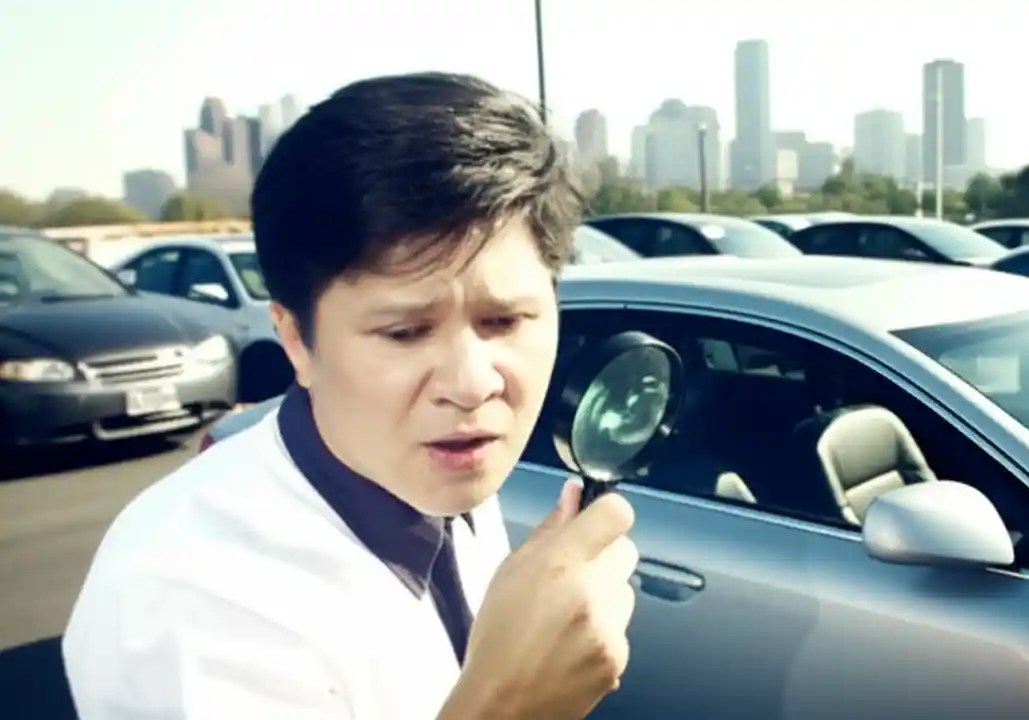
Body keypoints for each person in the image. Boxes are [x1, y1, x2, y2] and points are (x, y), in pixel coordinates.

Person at [62, 72, 640, 719]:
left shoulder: (435, 469)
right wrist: (508, 707)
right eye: (405, 333)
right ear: (296, 341)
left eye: (503, 321)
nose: (473, 384)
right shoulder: (191, 604)